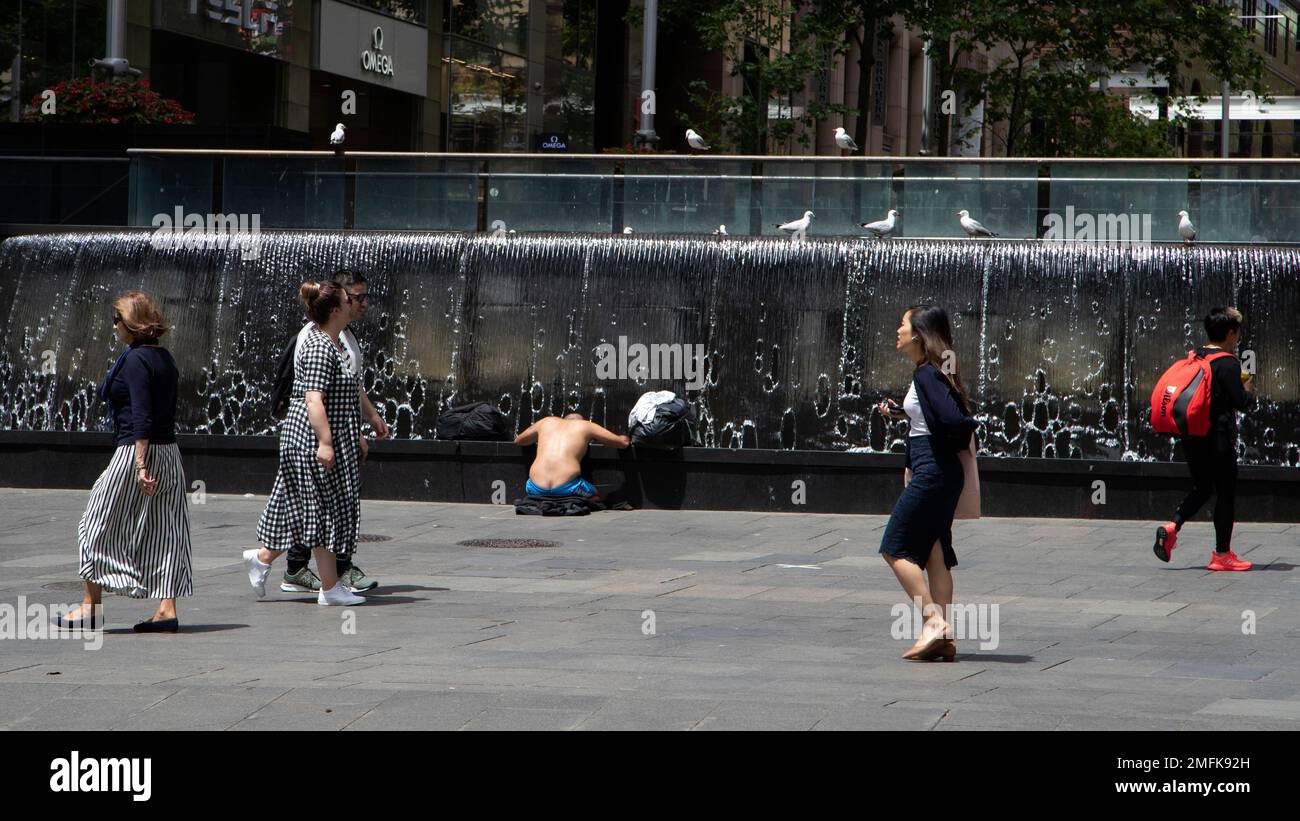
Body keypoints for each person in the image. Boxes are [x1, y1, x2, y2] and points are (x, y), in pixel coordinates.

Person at [57, 292, 193, 633]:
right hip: (170, 453)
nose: (113, 326)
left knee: (94, 523)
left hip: (136, 452)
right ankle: (166, 610)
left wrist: (141, 465)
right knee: (167, 531)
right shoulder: (164, 357)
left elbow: (142, 415)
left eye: (117, 320)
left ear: (132, 324)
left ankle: (90, 606)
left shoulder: (134, 361)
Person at [255, 271, 388, 595]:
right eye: (352, 298)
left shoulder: (338, 338)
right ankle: (330, 583)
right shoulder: (317, 343)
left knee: (306, 509)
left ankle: (271, 562)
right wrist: (327, 442)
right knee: (319, 510)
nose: (360, 304)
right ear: (335, 307)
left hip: (330, 436)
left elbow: (347, 388)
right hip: (311, 440)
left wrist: (365, 420)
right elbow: (314, 398)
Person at [875, 305, 978, 662]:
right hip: (942, 471)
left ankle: (933, 621)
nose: (897, 330)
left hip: (931, 471)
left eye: (902, 324)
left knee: (894, 547)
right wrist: (902, 413)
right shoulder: (936, 371)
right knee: (935, 553)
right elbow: (938, 414)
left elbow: (955, 419)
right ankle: (946, 639)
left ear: (918, 334)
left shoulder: (926, 375)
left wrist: (961, 429)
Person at [1154, 307, 1255, 571]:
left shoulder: (1196, 356)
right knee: (1224, 494)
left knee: (1202, 488)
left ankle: (1173, 525)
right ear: (1231, 333)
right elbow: (1241, 402)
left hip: (1192, 436)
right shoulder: (1228, 363)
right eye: (1237, 331)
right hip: (1218, 439)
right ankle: (1222, 555)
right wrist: (1248, 384)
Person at [514, 413, 630, 499]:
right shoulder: (586, 426)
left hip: (534, 487)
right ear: (581, 421)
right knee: (596, 495)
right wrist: (625, 438)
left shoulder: (546, 422)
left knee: (532, 484)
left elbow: (519, 440)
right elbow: (622, 444)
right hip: (567, 487)